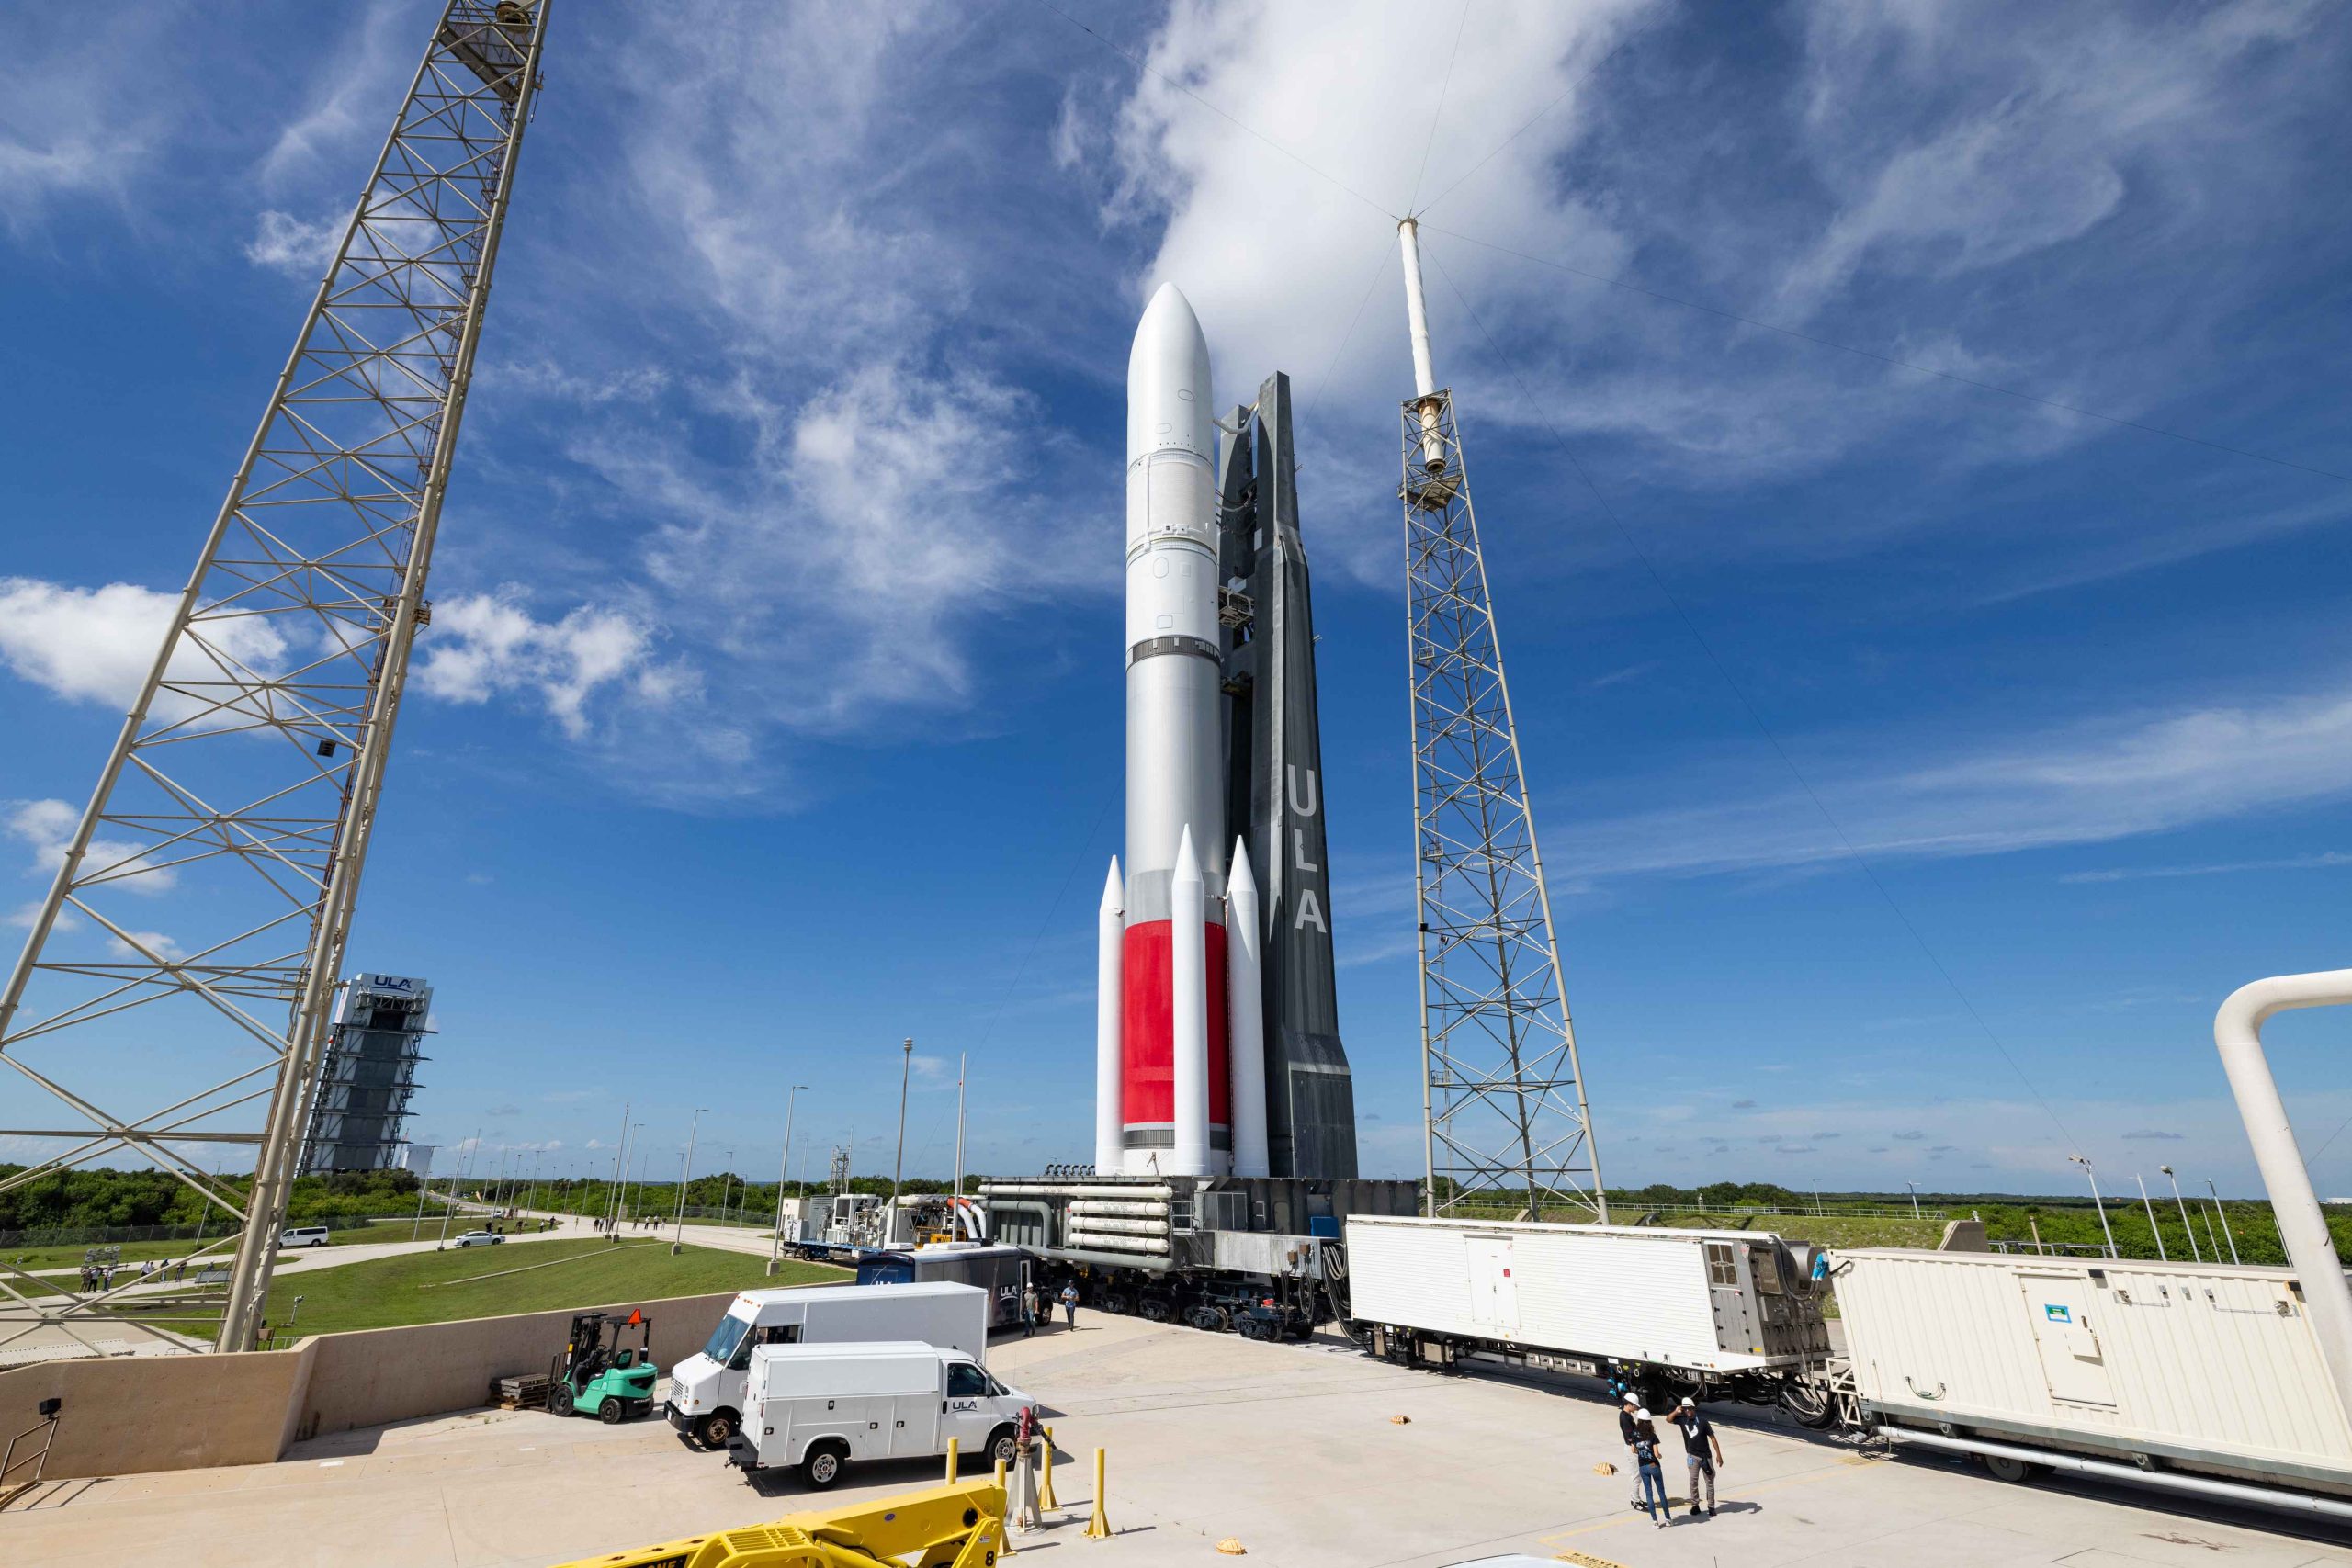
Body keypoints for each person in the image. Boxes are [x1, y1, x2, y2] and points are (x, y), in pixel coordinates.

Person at [1672, 1396, 1724, 1517]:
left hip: (1706, 1457)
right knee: (1693, 1481)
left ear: (1694, 1409)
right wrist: (1676, 1411)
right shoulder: (1682, 1420)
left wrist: (1719, 1455)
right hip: (1692, 1456)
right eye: (1685, 1409)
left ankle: (1711, 1506)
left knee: (1709, 1481)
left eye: (1689, 1408)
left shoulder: (1703, 1422)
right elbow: (1668, 1419)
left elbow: (1712, 1438)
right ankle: (1695, 1505)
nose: (1687, 1411)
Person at [1631, 1408, 1671, 1525]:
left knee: (1649, 1493)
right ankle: (1668, 1519)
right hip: (1653, 1466)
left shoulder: (1634, 1434)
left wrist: (1641, 1452)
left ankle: (1655, 1521)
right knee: (1661, 1492)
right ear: (1649, 1422)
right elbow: (1656, 1454)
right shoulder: (1652, 1435)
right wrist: (1660, 1456)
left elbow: (1633, 1450)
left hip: (1642, 1467)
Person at [1617, 1391, 1645, 1511]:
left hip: (1632, 1447)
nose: (1636, 1408)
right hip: (1631, 1448)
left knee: (1637, 1475)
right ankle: (1635, 1501)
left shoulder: (1626, 1415)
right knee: (1636, 1476)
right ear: (1629, 1404)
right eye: (1635, 1406)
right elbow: (1630, 1436)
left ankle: (1636, 1498)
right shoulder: (1625, 1417)